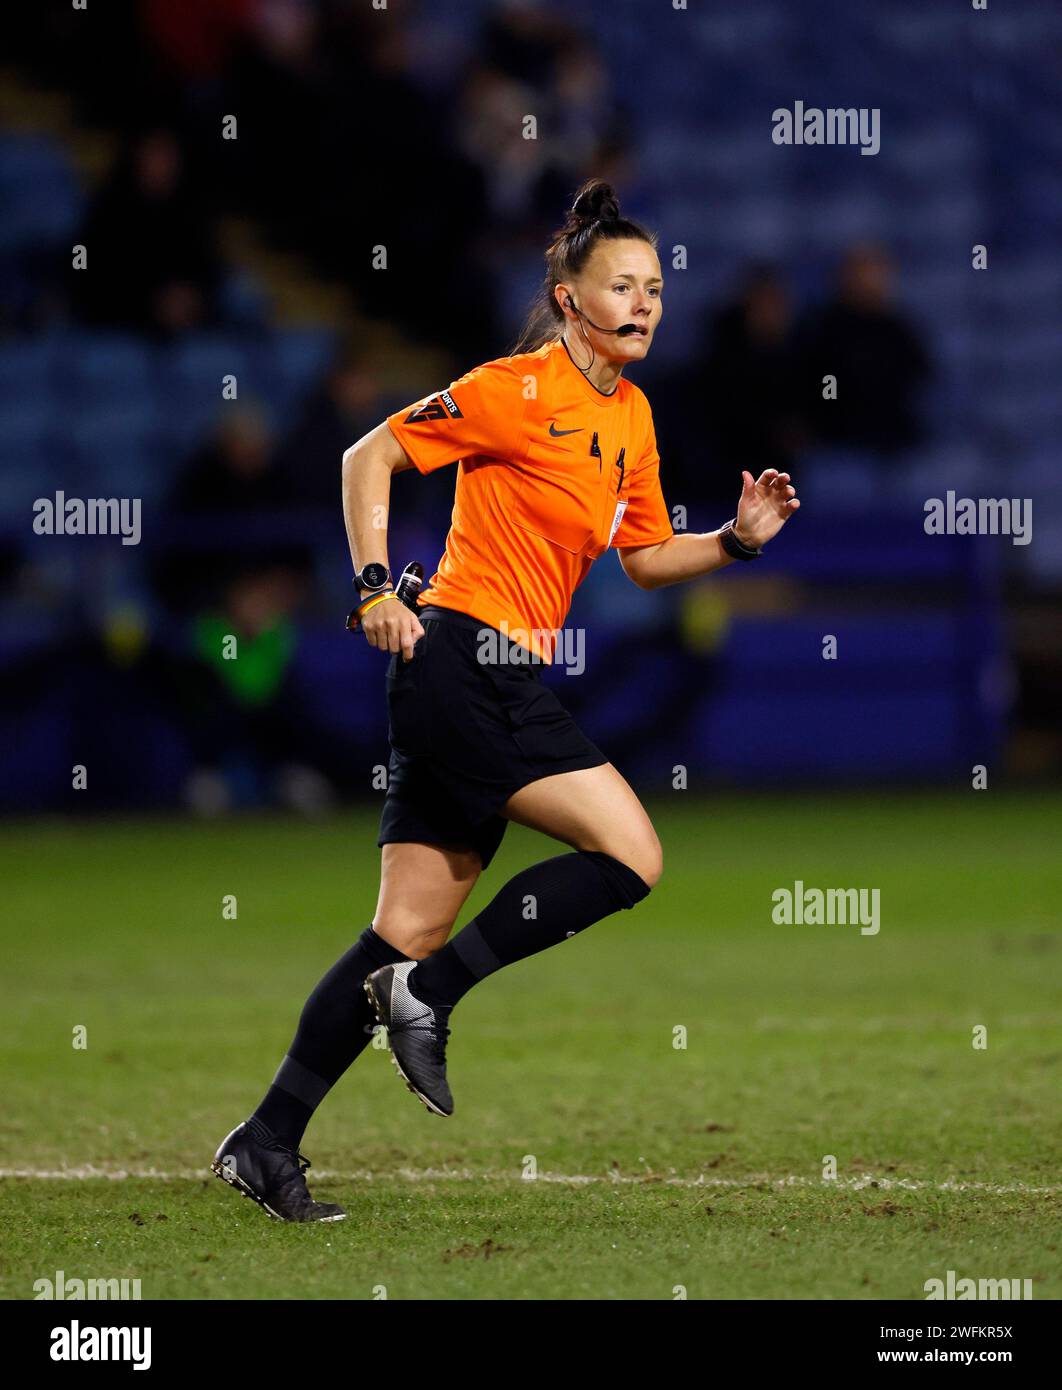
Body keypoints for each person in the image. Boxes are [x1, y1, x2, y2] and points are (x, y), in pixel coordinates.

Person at [211, 179, 800, 1221]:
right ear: (569, 297)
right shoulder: (515, 389)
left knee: (401, 932)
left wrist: (737, 541)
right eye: (622, 284)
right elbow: (369, 454)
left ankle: (266, 1139)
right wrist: (370, 585)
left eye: (656, 287)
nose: (645, 303)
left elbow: (646, 558)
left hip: (490, 672)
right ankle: (428, 1003)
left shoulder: (633, 417)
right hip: (459, 659)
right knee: (632, 856)